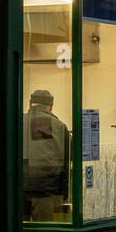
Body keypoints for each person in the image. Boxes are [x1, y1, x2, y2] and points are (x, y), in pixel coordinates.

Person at [23, 88, 70, 220]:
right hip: (45, 189)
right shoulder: (58, 126)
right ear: (51, 106)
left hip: (18, 187)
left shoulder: (16, 122)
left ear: (30, 104)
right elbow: (68, 158)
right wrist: (64, 192)